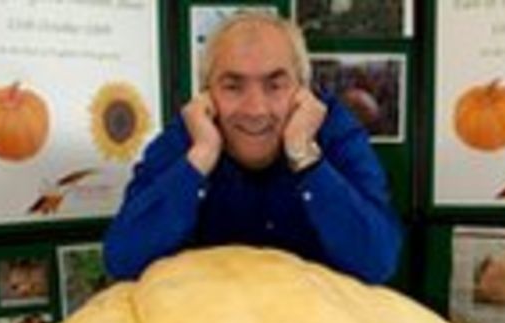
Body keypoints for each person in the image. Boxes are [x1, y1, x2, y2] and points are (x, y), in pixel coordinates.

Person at [102, 11, 403, 285]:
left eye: (275, 85)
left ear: (303, 89)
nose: (255, 109)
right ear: (207, 93)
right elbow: (123, 259)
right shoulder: (188, 137)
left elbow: (377, 262)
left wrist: (305, 157)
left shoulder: (334, 131)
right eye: (233, 86)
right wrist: (201, 158)